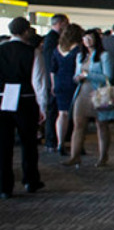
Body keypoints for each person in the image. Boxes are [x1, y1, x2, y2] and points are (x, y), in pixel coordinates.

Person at [1, 18, 47, 198]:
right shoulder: (33, 52)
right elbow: (39, 82)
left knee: (3, 145)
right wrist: (42, 106)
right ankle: (30, 180)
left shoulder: (1, 49)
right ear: (26, 31)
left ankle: (4, 186)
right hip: (26, 100)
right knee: (29, 143)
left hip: (2, 100)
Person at [63, 28, 114, 167]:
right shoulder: (80, 56)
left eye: (90, 38)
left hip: (99, 93)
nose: (87, 41)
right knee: (78, 124)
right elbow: (76, 74)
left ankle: (103, 156)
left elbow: (108, 76)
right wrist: (78, 77)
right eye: (85, 39)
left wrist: (88, 75)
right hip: (82, 91)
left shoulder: (104, 55)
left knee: (102, 125)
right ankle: (75, 156)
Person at [50, 23, 82, 155]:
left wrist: (53, 85)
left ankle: (60, 143)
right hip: (73, 82)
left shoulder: (57, 49)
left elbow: (52, 70)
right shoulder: (79, 49)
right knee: (76, 115)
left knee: (62, 114)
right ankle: (77, 143)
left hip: (59, 82)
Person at [40, 13, 69, 152]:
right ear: (60, 23)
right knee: (53, 111)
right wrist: (52, 82)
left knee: (55, 111)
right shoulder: (52, 39)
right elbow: (51, 63)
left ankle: (54, 140)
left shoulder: (50, 38)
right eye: (66, 23)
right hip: (54, 80)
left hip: (54, 79)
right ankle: (51, 140)